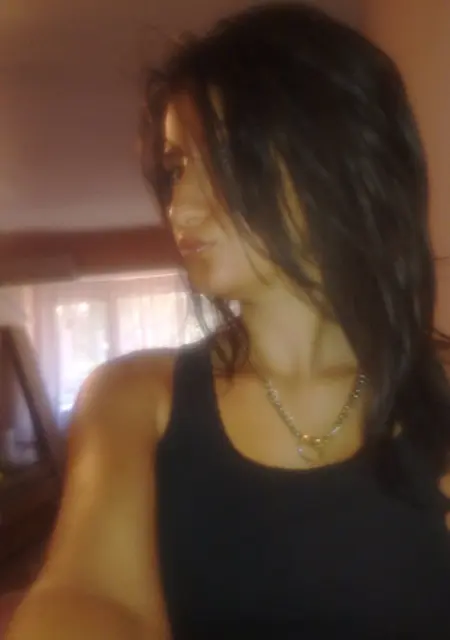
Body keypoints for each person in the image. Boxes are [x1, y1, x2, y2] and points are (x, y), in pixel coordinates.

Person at [6, 3, 450, 639]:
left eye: (216, 156)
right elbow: (88, 595)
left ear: (333, 155)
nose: (178, 205)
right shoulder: (134, 398)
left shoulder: (440, 386)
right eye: (176, 168)